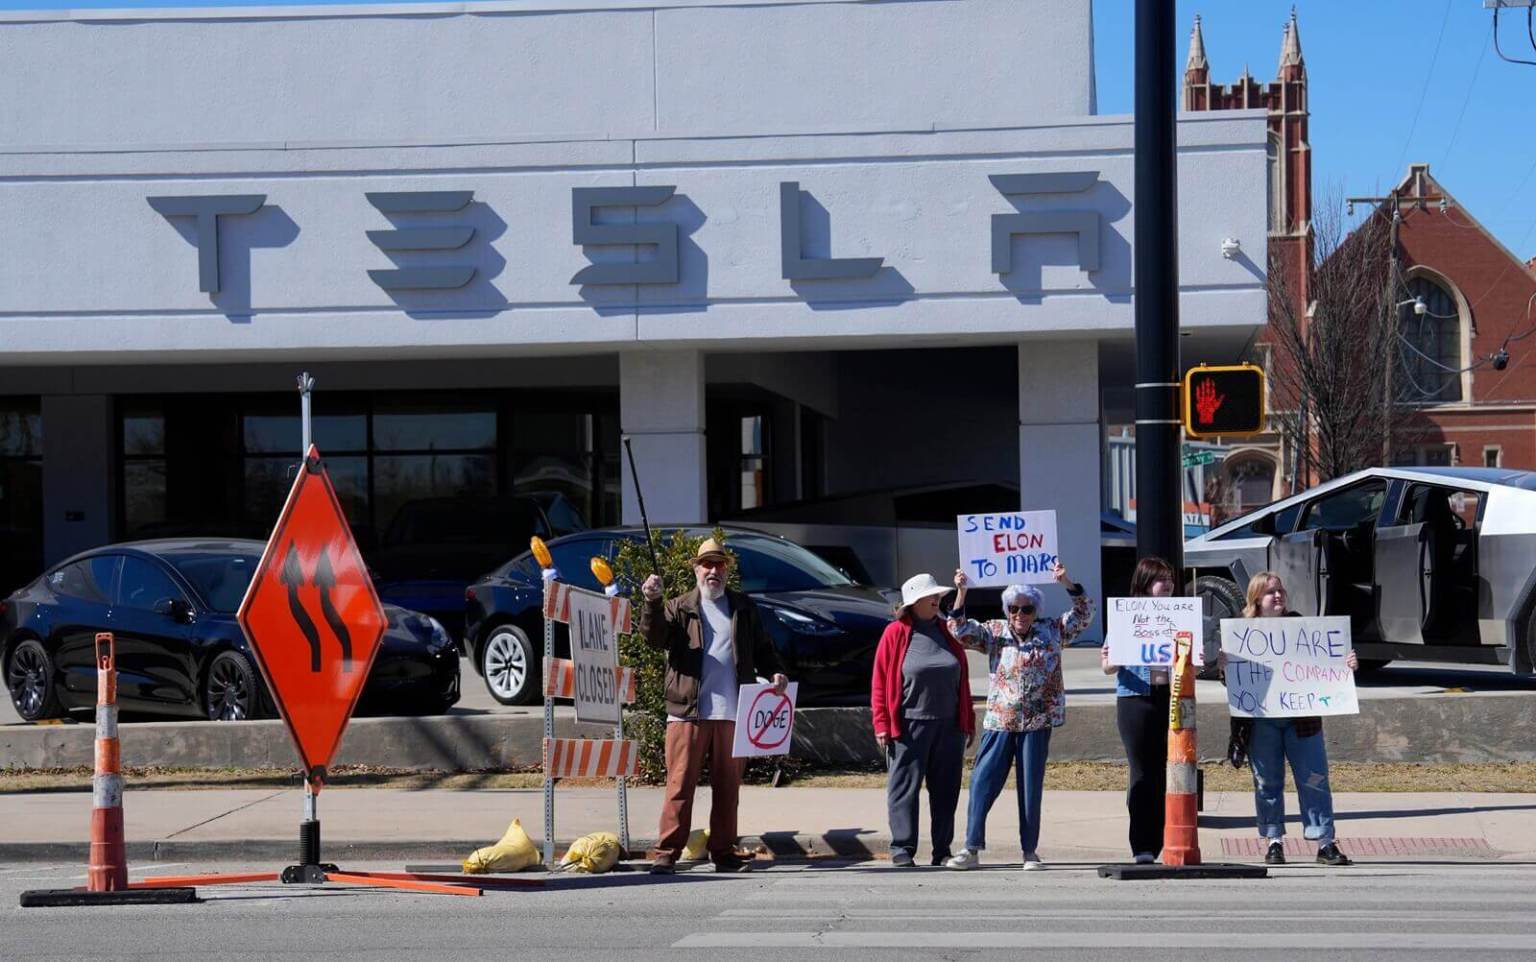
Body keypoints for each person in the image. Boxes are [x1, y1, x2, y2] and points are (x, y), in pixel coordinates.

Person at [639, 537, 790, 875]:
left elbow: (763, 648)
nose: (713, 570)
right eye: (706, 564)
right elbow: (654, 638)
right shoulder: (678, 606)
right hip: (687, 713)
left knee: (728, 788)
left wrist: (776, 671)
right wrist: (651, 601)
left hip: (734, 711)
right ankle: (667, 852)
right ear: (695, 568)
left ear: (726, 571)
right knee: (680, 784)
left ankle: (722, 852)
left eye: (719, 564)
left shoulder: (743, 607)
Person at [944, 562, 1092, 871]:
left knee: (1030, 788)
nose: (1020, 616)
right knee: (983, 781)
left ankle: (1029, 851)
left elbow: (1083, 614)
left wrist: (1066, 581)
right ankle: (971, 847)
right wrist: (961, 591)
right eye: (1014, 609)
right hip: (1001, 719)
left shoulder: (1052, 630)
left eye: (1026, 609)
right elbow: (958, 629)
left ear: (1036, 610)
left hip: (1037, 722)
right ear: (1006, 609)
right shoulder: (994, 633)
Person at [1226, 571, 1357, 867]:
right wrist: (1226, 666)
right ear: (1256, 599)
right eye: (1271, 592)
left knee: (1314, 780)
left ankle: (1325, 842)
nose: (1278, 596)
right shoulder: (1243, 631)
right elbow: (1235, 683)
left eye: (1281, 590)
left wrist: (1347, 663)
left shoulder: (1303, 626)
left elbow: (1328, 665)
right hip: (1261, 721)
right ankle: (1274, 841)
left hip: (1303, 720)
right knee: (1267, 782)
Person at [870, 572, 976, 867]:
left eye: (938, 596)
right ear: (914, 602)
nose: (936, 600)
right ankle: (902, 847)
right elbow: (879, 682)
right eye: (931, 597)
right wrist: (881, 723)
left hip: (949, 725)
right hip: (908, 724)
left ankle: (942, 850)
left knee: (945, 790)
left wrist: (967, 720)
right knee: (904, 788)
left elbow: (962, 680)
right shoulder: (895, 633)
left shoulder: (948, 631)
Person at [1099, 556, 1175, 864]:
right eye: (1161, 578)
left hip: (1170, 697)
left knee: (1165, 773)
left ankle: (1163, 841)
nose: (1168, 583)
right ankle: (1142, 845)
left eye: (1170, 577)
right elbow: (1107, 665)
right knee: (1142, 772)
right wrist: (1116, 655)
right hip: (1135, 699)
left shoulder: (1180, 614)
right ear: (1145, 583)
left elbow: (1194, 656)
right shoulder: (1125, 616)